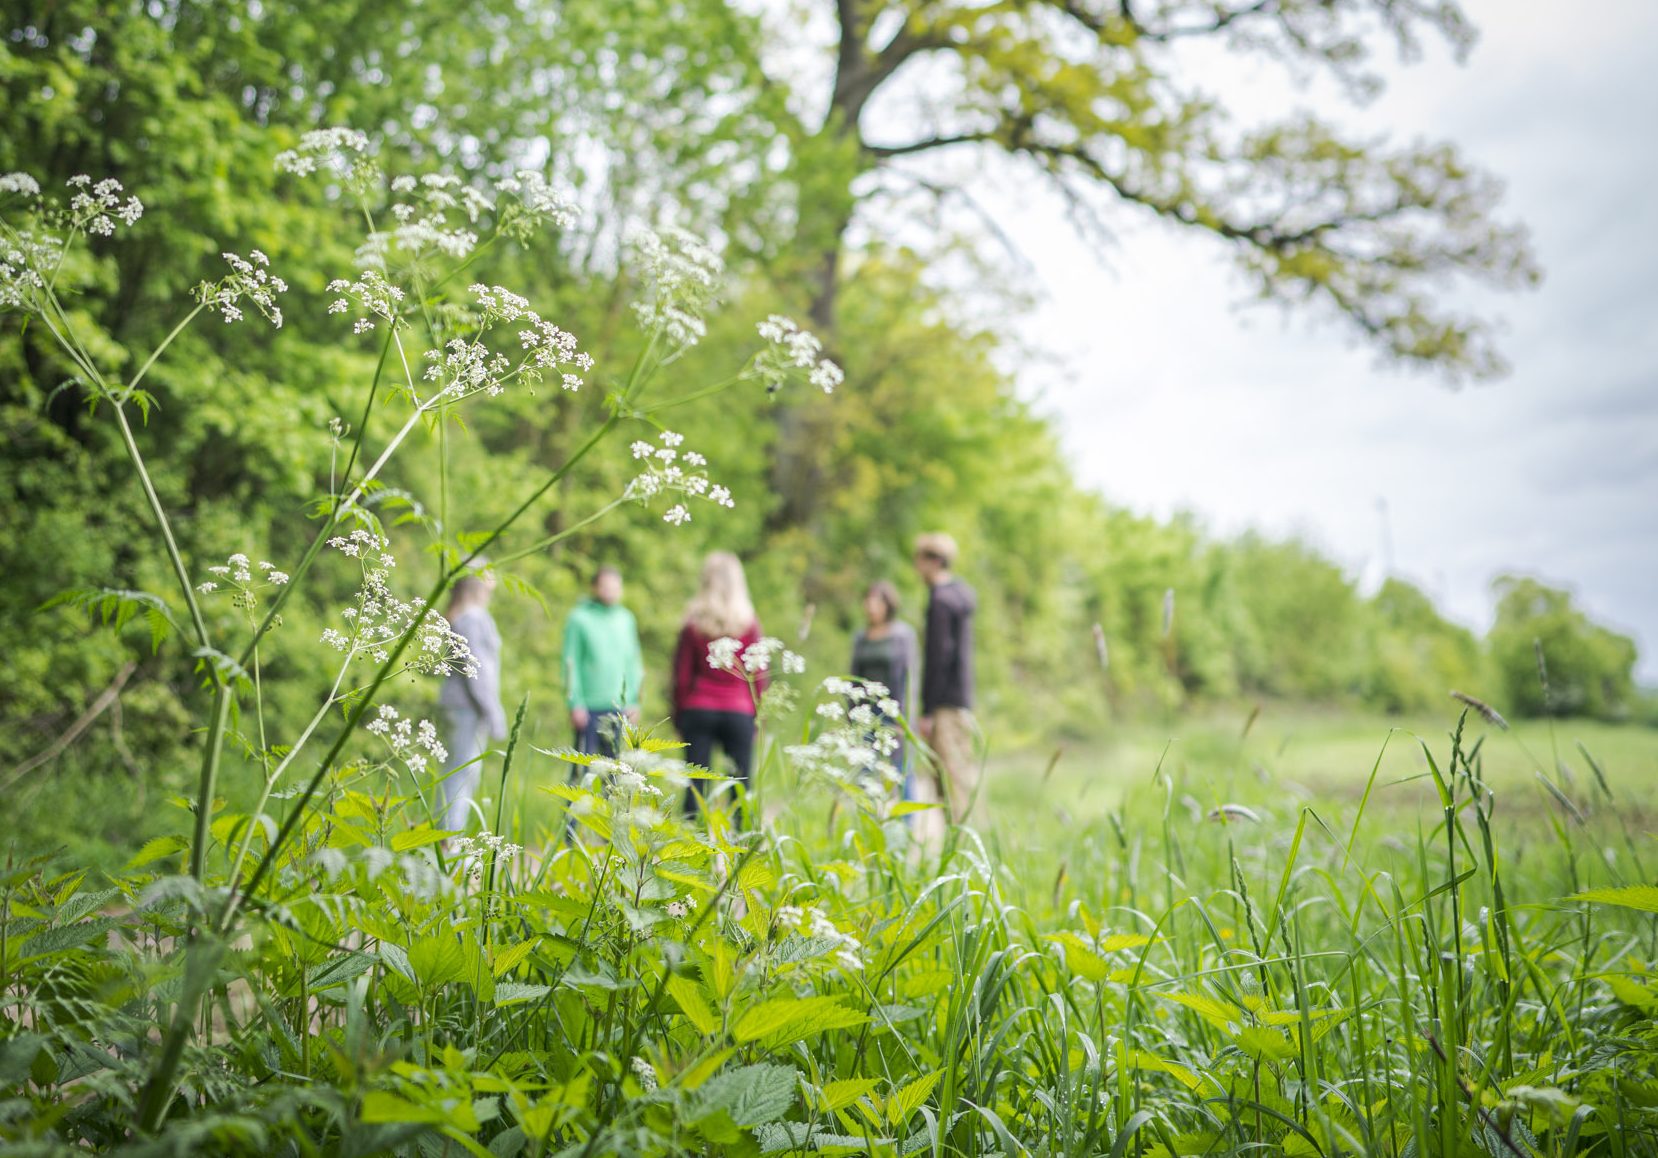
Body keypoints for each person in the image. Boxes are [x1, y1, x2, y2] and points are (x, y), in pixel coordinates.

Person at [672, 551, 767, 821]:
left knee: (695, 788)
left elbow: (681, 677)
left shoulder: (694, 622)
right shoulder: (749, 622)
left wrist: (680, 717)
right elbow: (758, 674)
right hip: (739, 711)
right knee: (741, 788)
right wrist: (758, 717)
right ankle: (740, 852)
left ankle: (690, 852)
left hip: (698, 709)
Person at [913, 532, 978, 837]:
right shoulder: (960, 595)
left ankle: (959, 844)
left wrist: (927, 709)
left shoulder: (940, 601)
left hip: (943, 705)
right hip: (961, 700)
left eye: (920, 560)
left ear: (935, 561)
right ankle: (962, 841)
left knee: (949, 778)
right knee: (960, 774)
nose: (917, 568)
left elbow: (939, 657)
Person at [436, 564, 507, 833]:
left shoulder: (461, 615)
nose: (494, 581)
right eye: (489, 575)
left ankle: (445, 843)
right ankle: (450, 848)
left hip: (457, 707)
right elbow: (478, 673)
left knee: (452, 775)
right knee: (461, 777)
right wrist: (494, 715)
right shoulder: (473, 618)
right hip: (468, 709)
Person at [562, 566, 645, 759]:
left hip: (620, 706)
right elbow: (570, 662)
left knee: (615, 770)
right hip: (588, 706)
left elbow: (634, 662)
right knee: (584, 767)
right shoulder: (579, 618)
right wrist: (575, 702)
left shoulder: (626, 619)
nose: (610, 591)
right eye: (605, 586)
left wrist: (635, 701)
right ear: (594, 587)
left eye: (615, 587)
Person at [849, 579, 918, 782]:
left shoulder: (902, 636)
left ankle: (906, 814)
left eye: (876, 602)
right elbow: (854, 677)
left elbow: (908, 678)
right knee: (865, 770)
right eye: (868, 602)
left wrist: (902, 718)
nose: (871, 607)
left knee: (900, 769)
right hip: (865, 711)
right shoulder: (861, 638)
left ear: (888, 605)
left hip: (892, 710)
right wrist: (851, 714)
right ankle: (868, 813)